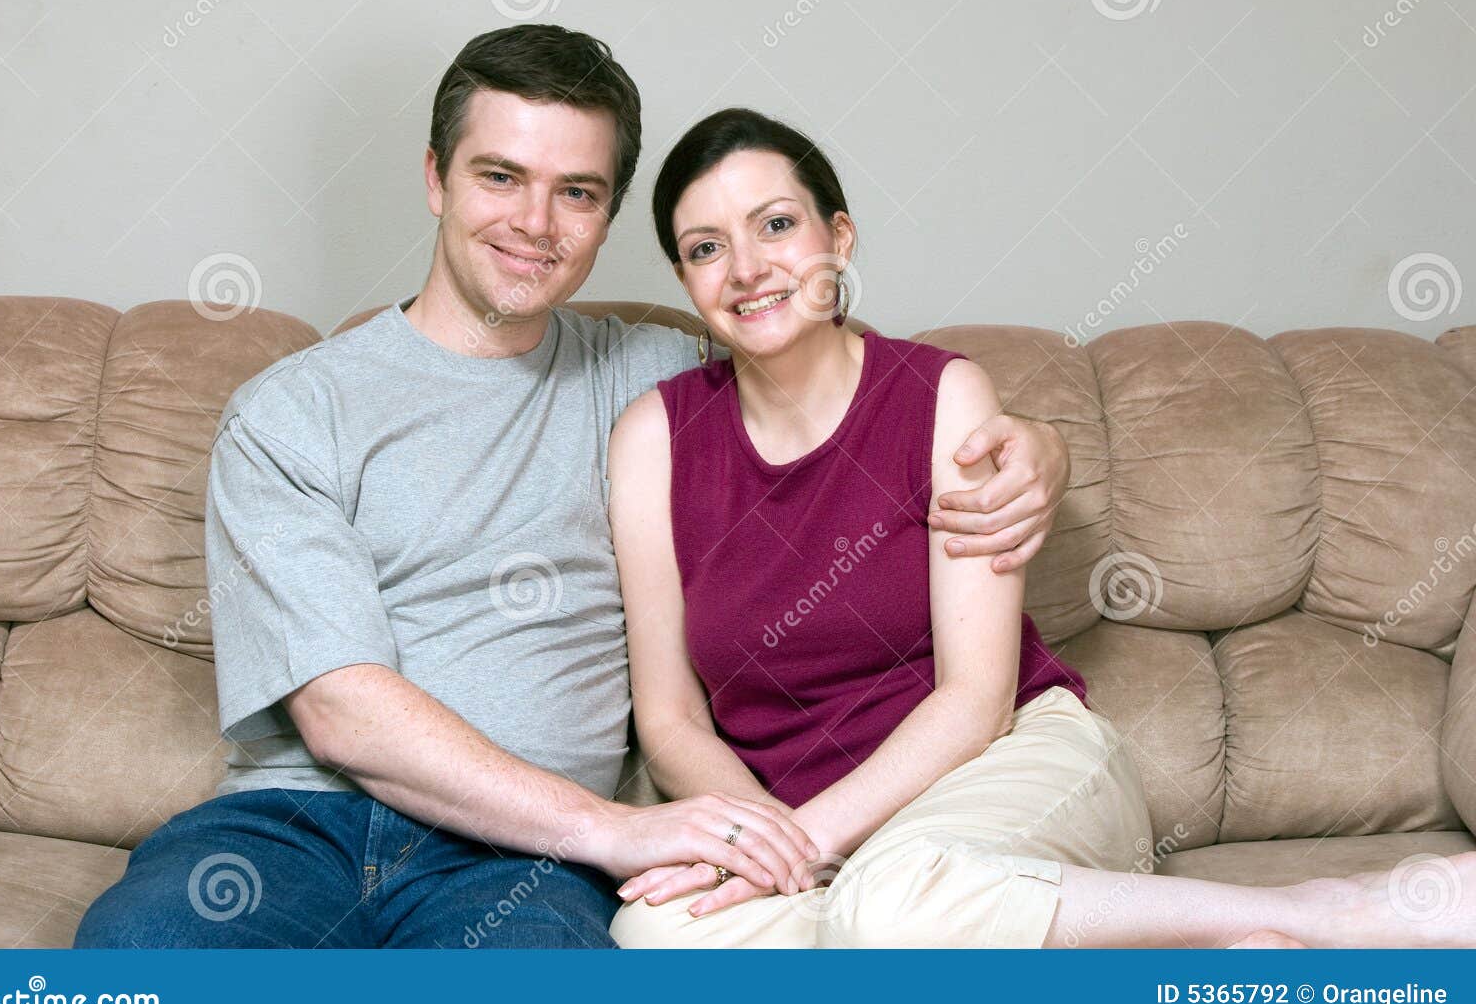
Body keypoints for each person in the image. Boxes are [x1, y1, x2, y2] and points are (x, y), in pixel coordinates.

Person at [73, 24, 1074, 949]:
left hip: (523, 866)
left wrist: (1034, 441)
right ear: (435, 178)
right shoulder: (292, 413)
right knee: (139, 960)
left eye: (578, 192)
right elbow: (343, 714)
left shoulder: (658, 385)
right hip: (299, 823)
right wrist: (615, 828)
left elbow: (844, 383)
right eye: (499, 175)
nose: (534, 222)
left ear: (608, 217)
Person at [606, 107, 1476, 949]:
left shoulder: (942, 398)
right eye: (707, 249)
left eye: (776, 224)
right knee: (658, 934)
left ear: (839, 238)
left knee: (892, 911)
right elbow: (674, 717)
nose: (747, 267)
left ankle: (1323, 914)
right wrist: (758, 840)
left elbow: (974, 699)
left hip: (1000, 763)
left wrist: (799, 847)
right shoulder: (655, 437)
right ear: (687, 282)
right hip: (792, 812)